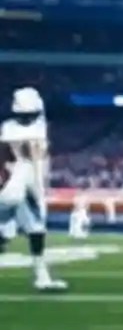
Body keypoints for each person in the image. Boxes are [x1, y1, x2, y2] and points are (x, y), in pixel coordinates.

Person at [0, 87, 67, 292]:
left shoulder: (33, 126)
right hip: (14, 183)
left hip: (27, 184)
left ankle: (42, 276)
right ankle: (41, 276)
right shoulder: (9, 128)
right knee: (17, 229)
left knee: (36, 230)